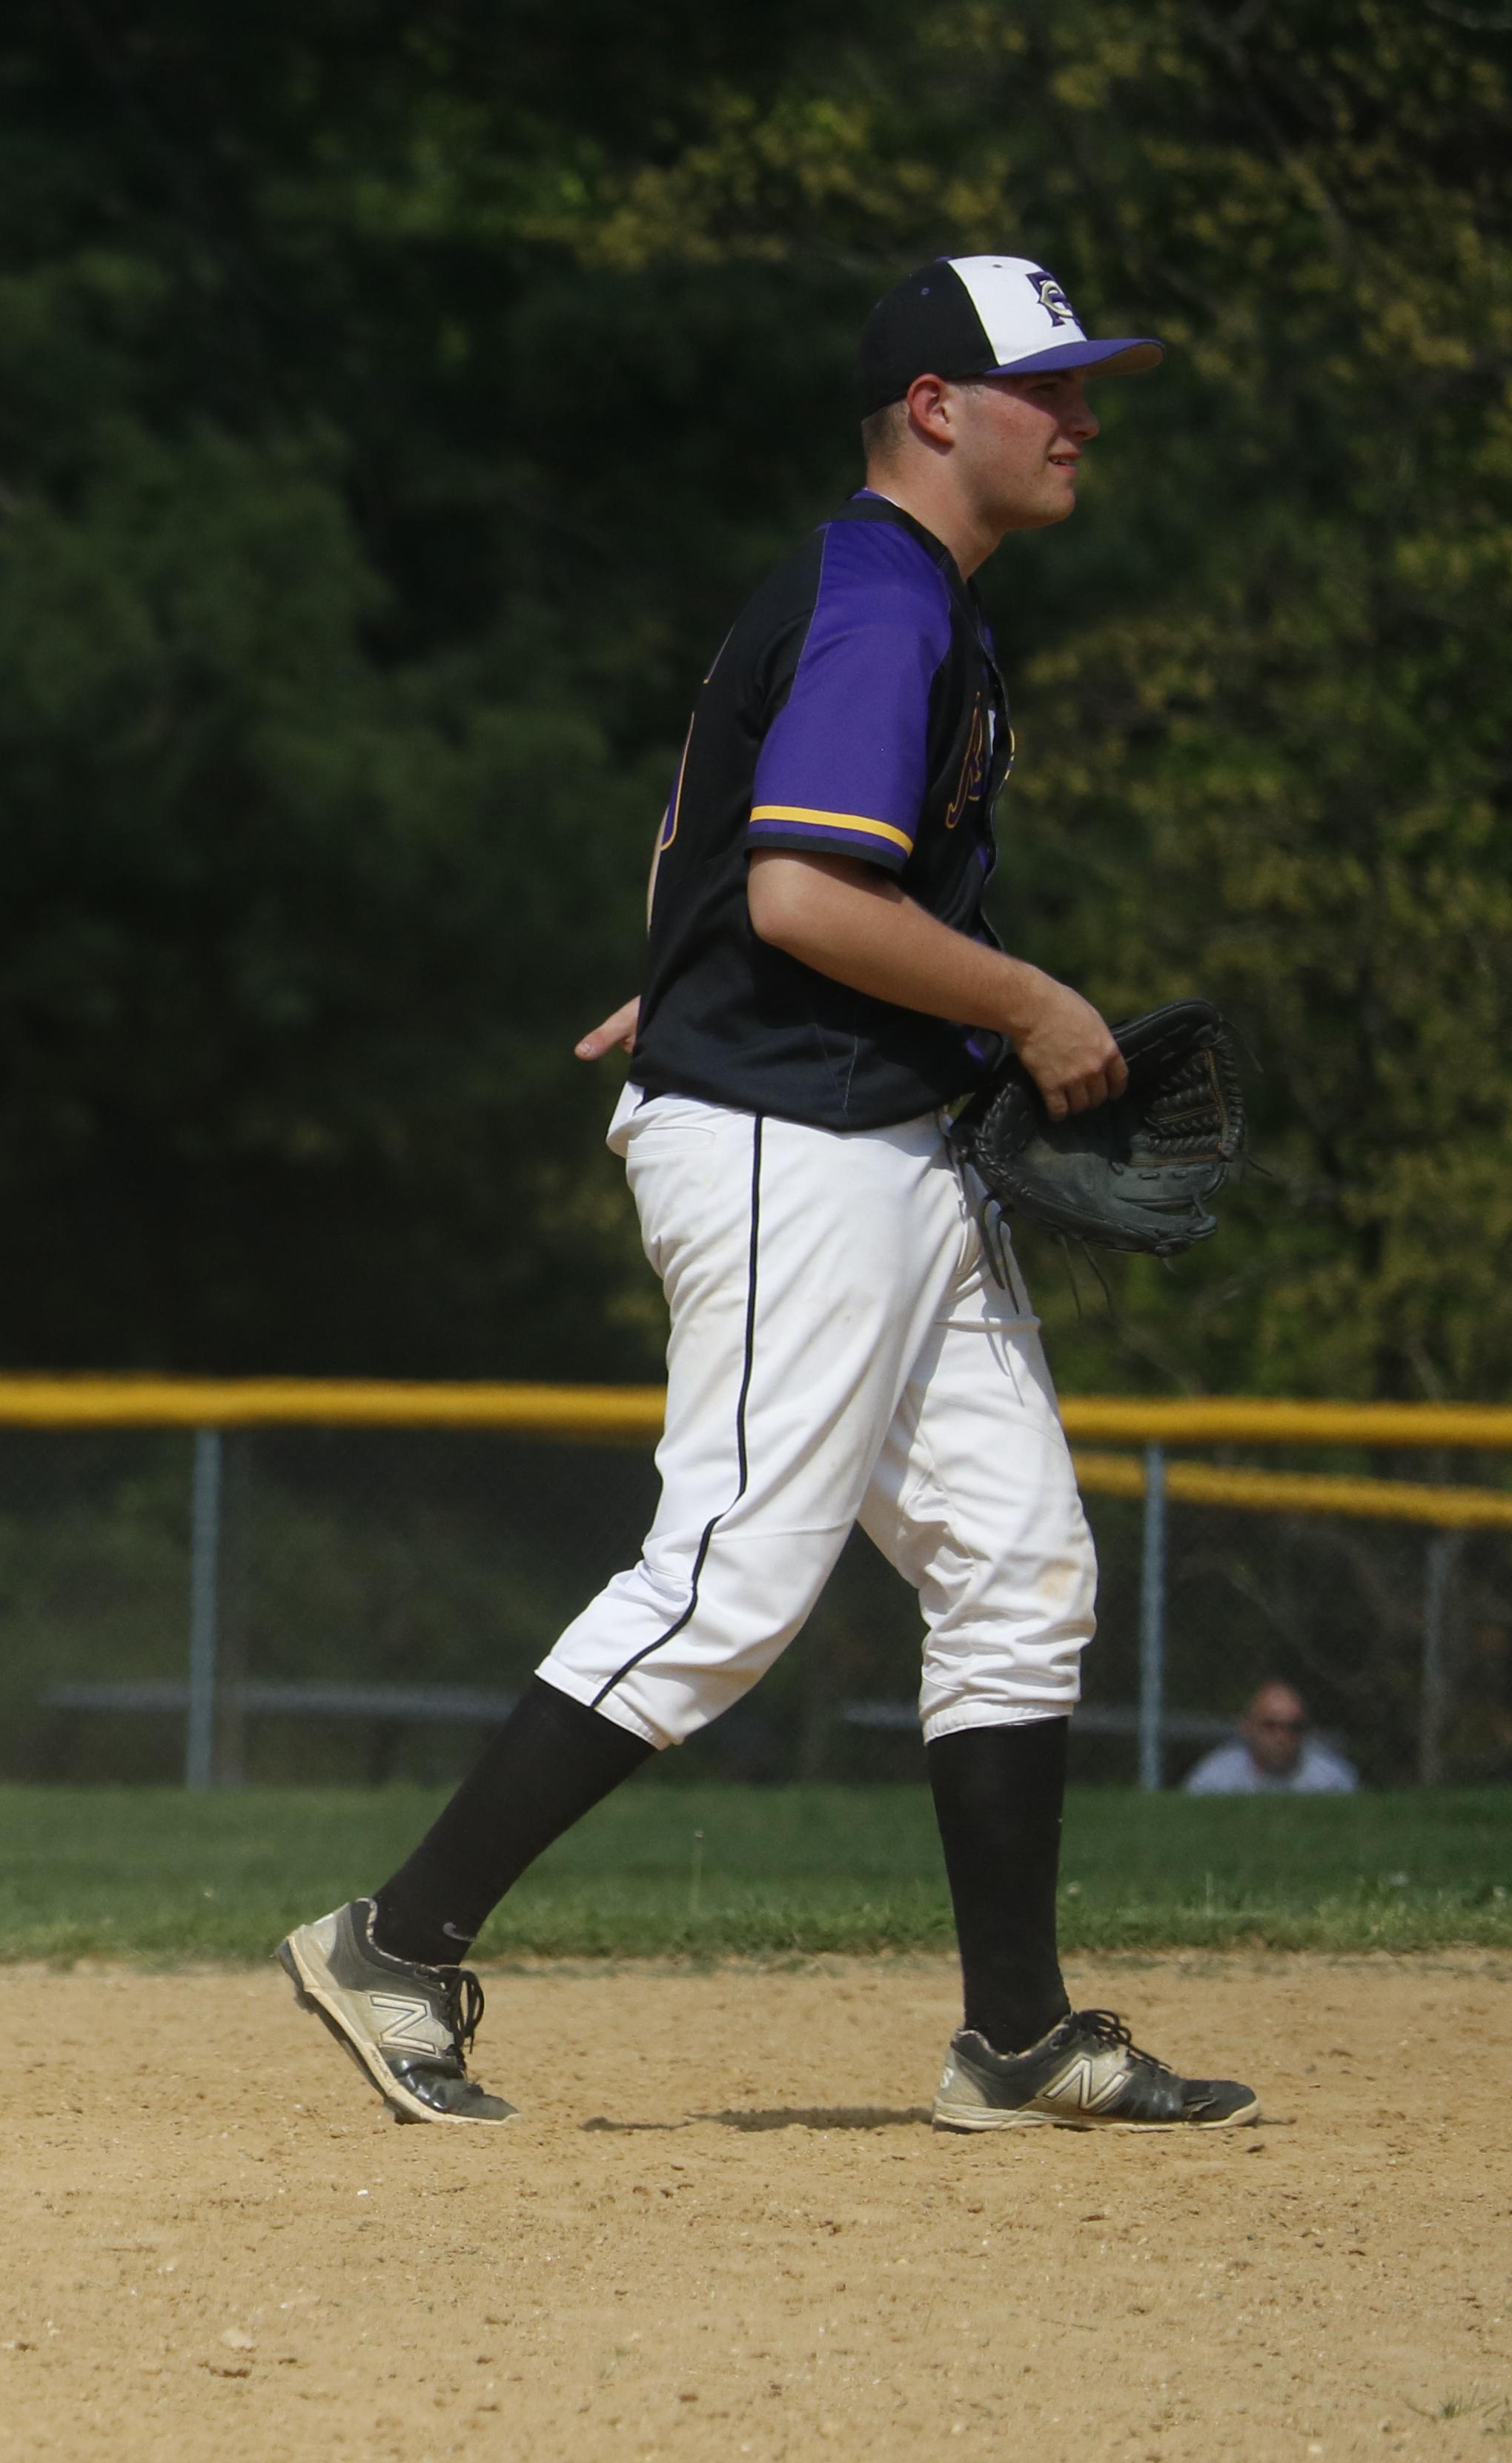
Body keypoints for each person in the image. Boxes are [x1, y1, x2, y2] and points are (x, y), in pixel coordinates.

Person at [281, 254, 1261, 2135]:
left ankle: (1018, 2035)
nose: (1082, 419)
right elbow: (812, 894)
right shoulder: (889, 601)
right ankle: (396, 1940)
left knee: (1019, 1558)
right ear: (933, 408)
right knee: (730, 1573)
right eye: (1045, 387)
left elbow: (762, 873)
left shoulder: (905, 606)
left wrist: (695, 957)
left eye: (1083, 384)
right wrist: (1034, 1000)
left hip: (872, 1131)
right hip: (793, 1143)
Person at [1181, 1680, 1359, 1794]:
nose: (1281, 1736)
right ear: (1248, 1727)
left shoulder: (1331, 1780)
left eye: (1293, 1727)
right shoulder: (1216, 1778)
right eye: (1270, 1726)